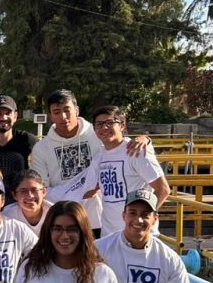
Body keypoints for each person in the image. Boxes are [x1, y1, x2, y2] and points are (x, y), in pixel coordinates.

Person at [30, 89, 148, 234]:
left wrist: (146, 139)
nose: (63, 116)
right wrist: (77, 193)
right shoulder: (41, 148)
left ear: (77, 110)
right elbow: (43, 189)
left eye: (67, 110)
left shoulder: (98, 132)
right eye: (56, 112)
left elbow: (121, 144)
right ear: (50, 116)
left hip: (101, 218)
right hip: (66, 220)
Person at [82, 106, 170, 237]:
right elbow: (87, 191)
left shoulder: (136, 151)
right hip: (110, 235)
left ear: (122, 125)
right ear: (94, 129)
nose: (104, 127)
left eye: (110, 123)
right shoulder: (99, 156)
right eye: (99, 124)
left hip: (138, 235)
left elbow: (163, 189)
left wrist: (144, 218)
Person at [2, 169, 53, 236]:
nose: (30, 196)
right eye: (23, 191)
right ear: (14, 195)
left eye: (34, 190)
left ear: (43, 192)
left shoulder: (54, 213)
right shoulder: (6, 216)